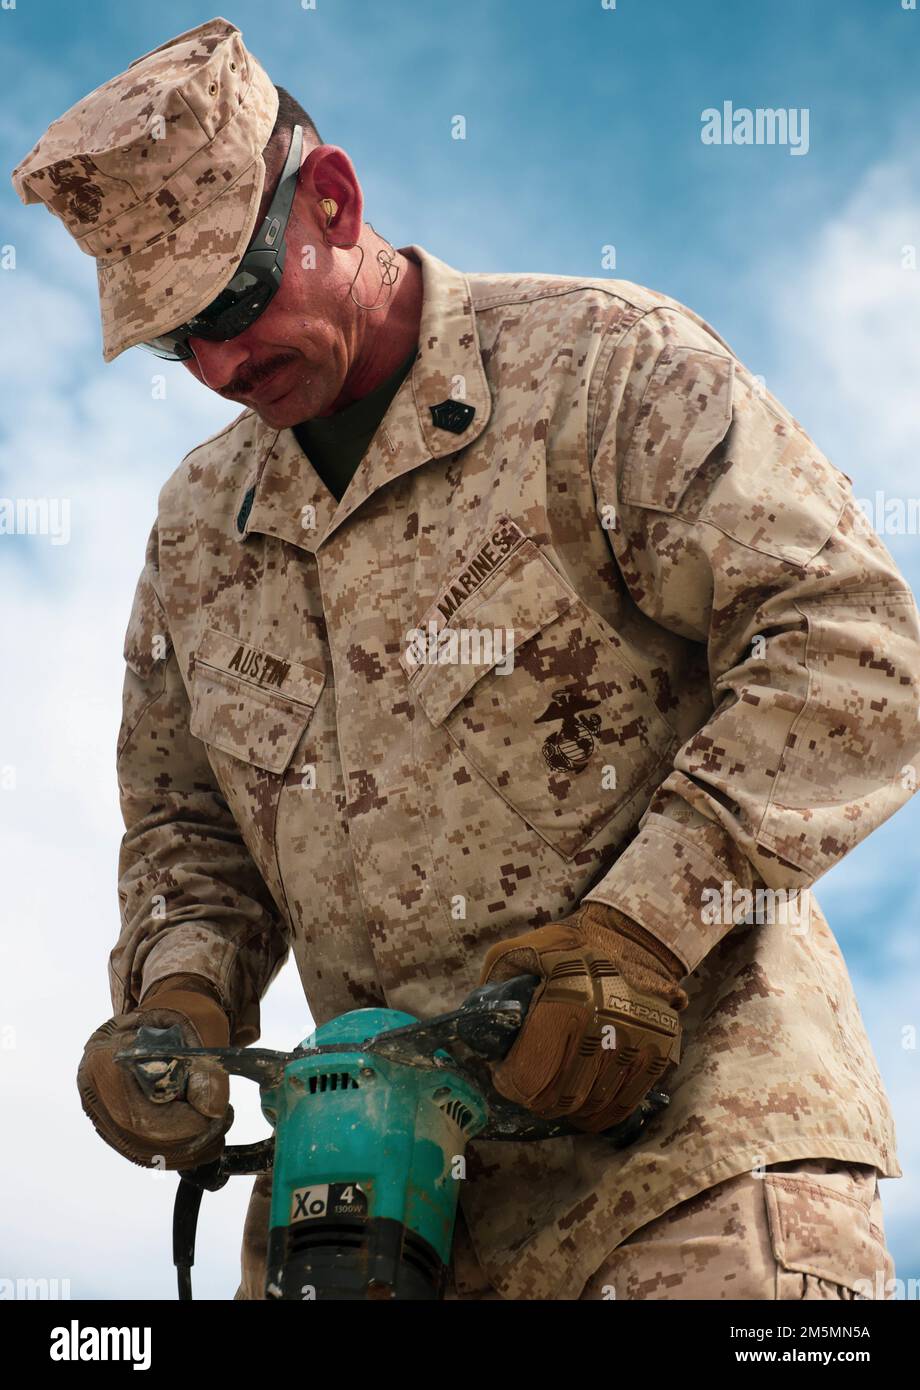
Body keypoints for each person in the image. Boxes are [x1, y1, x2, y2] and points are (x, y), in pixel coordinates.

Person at [12, 17, 918, 1301]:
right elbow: (186, 831)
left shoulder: (604, 371)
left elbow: (851, 647)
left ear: (330, 201)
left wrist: (642, 930)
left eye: (230, 300)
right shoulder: (197, 535)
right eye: (176, 341)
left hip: (687, 1184)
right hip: (382, 1227)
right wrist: (178, 1004)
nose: (217, 364)